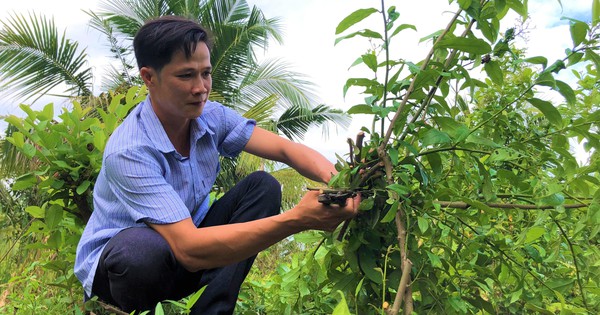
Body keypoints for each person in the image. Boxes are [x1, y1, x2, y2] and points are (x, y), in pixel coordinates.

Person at [74, 15, 359, 315]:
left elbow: (285, 149)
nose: (201, 88)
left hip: (186, 253)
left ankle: (211, 312)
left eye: (206, 73)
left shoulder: (210, 116)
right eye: (185, 76)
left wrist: (345, 181)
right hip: (128, 273)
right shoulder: (130, 150)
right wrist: (298, 219)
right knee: (142, 251)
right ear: (149, 77)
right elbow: (188, 248)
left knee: (263, 188)